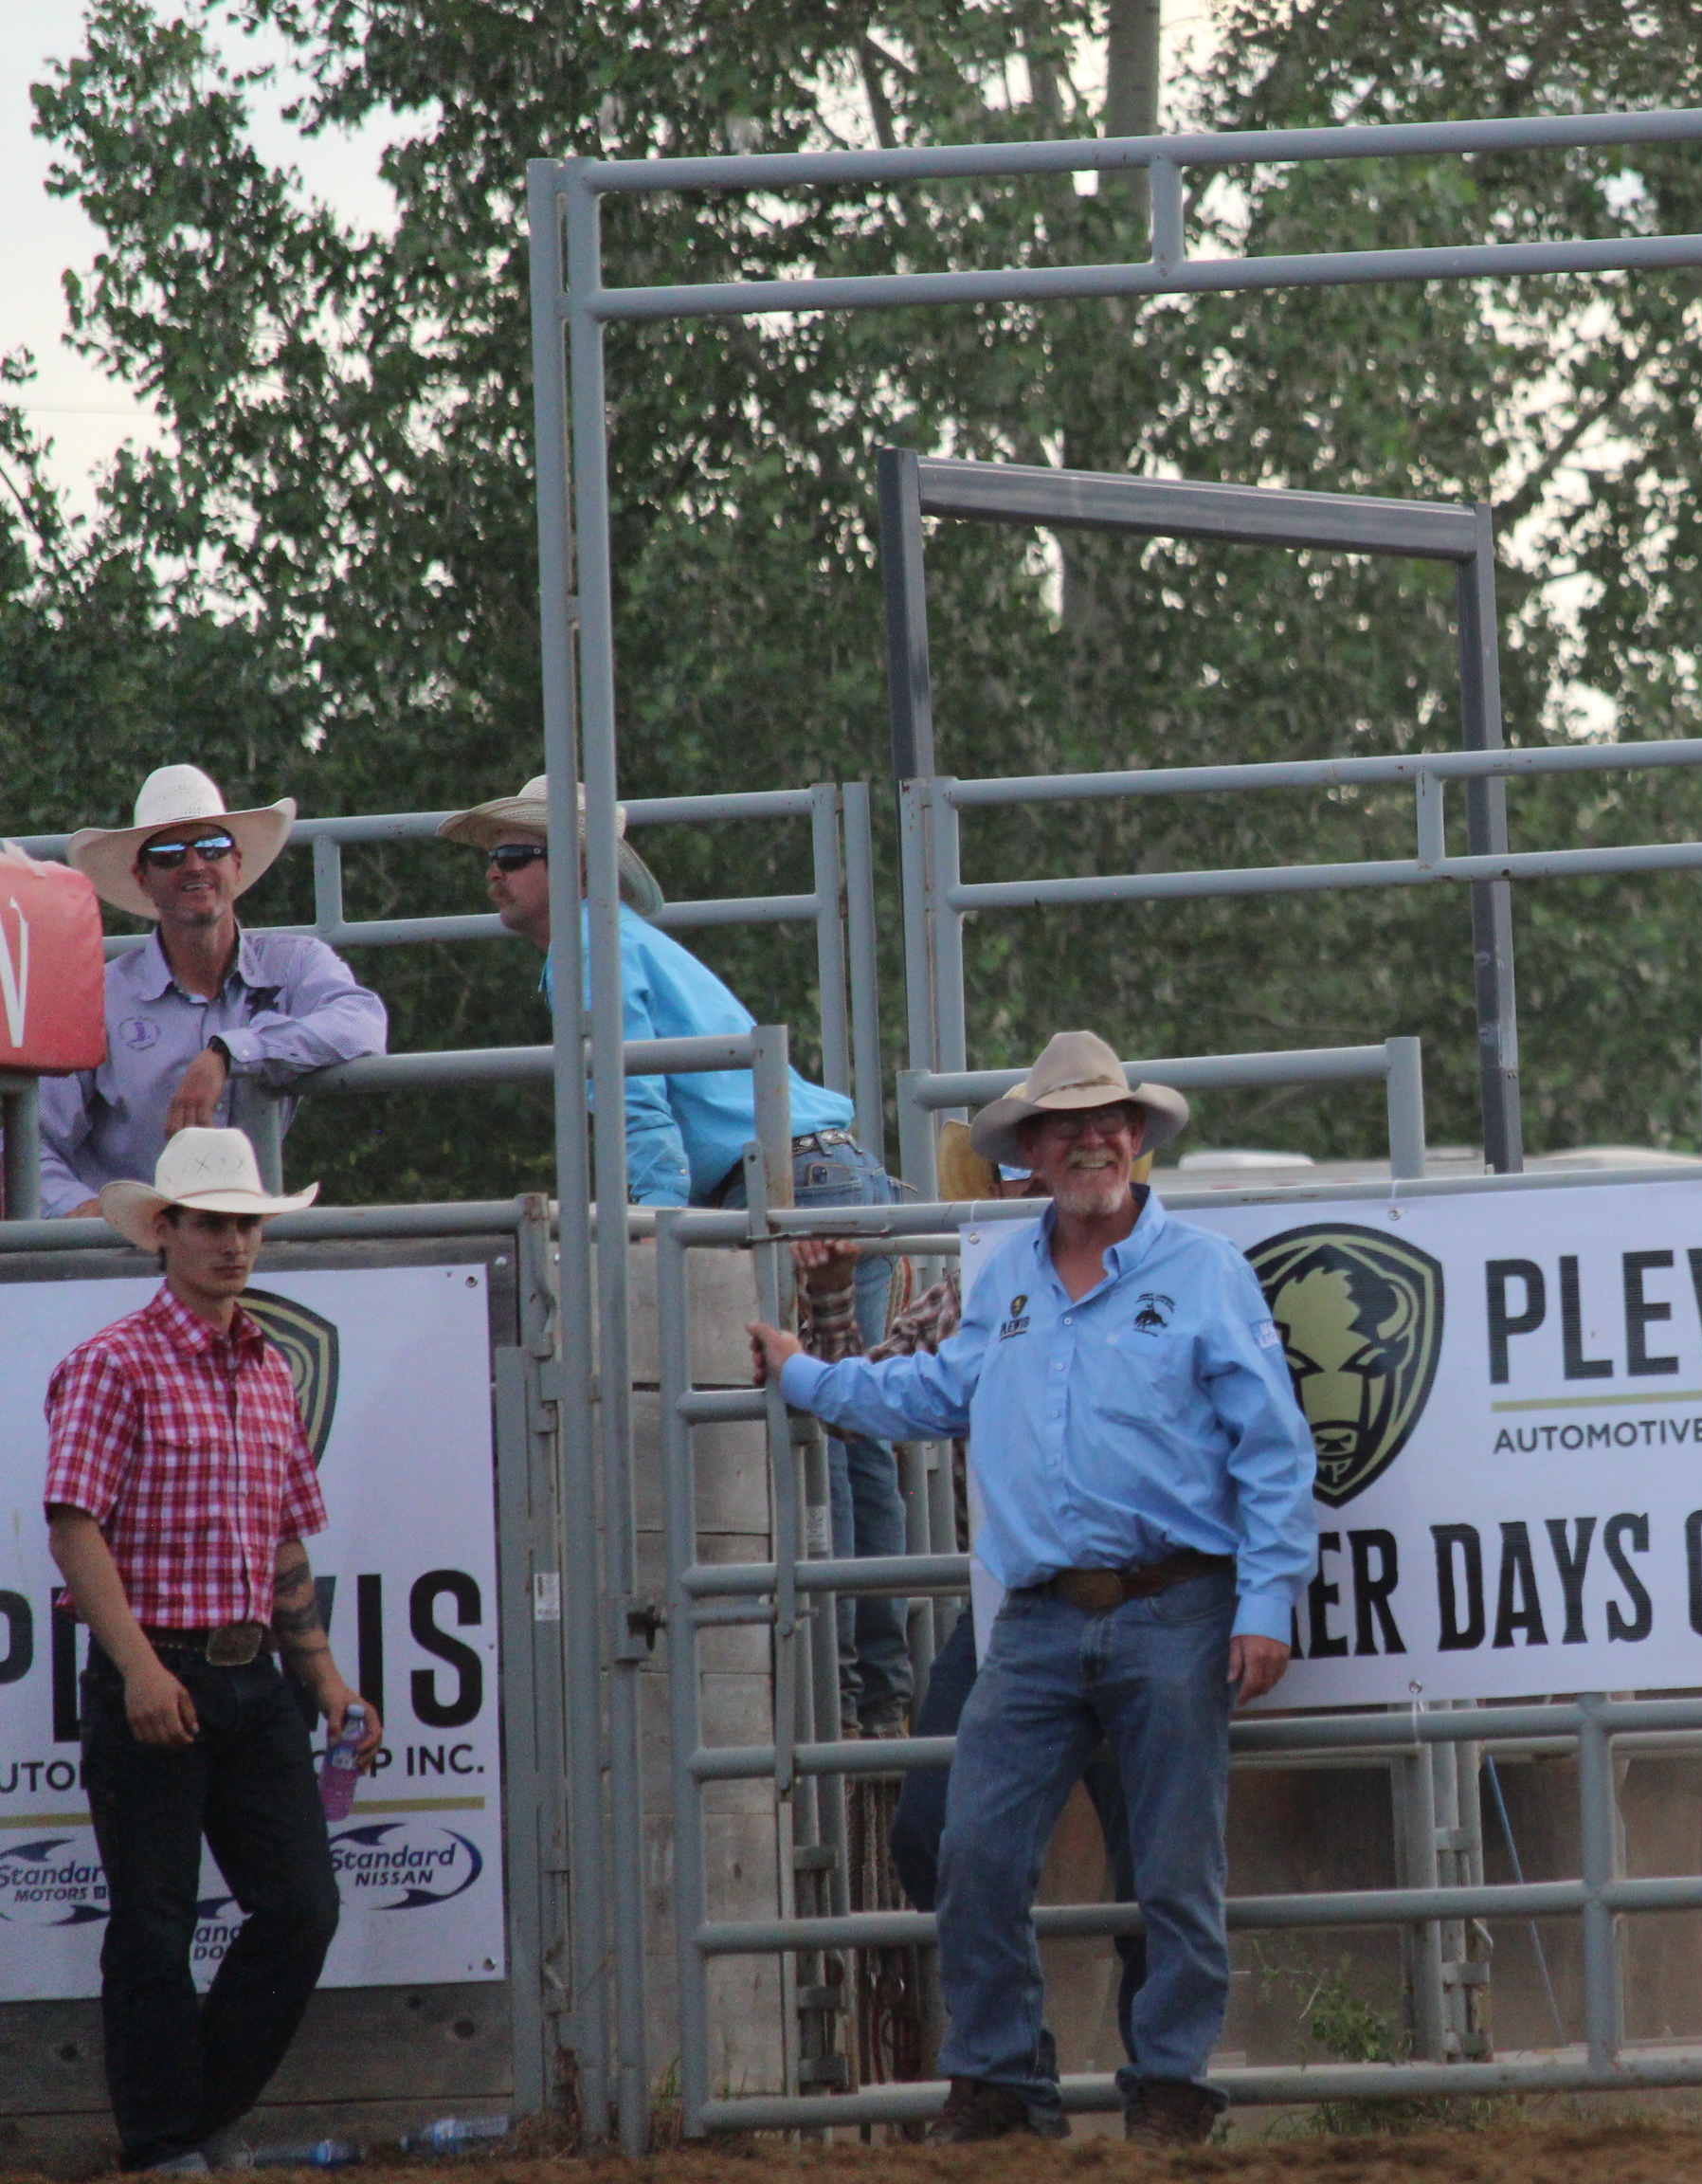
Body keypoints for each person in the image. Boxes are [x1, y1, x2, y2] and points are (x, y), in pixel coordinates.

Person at [748, 1030, 1317, 2148]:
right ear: (1034, 1152)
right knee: (973, 1850)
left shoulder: (1205, 1270)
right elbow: (932, 1390)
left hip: (1176, 1603)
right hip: (1041, 1614)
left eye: (1108, 1123)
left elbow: (1274, 1451)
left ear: (1136, 1138)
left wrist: (1265, 1603)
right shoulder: (1004, 1276)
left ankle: (1167, 2083)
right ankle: (1004, 2079)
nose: (1092, 1141)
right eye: (1067, 1128)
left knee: (1173, 1866)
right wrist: (806, 1374)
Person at [441, 776, 914, 1733]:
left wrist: (650, 1236)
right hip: (828, 1172)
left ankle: (839, 1701)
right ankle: (877, 1692)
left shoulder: (585, 946)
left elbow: (638, 1105)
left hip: (785, 1185)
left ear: (575, 867)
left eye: (515, 855)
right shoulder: (618, 940)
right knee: (852, 1431)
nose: (495, 873)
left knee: (821, 1436)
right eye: (494, 857)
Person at [45, 1128, 383, 2175]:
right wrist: (140, 1667)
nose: (235, 1243)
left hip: (252, 1676)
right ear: (166, 1232)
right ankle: (169, 2139)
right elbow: (73, 1526)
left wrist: (324, 1677)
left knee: (301, 1908)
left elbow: (283, 1537)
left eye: (247, 1225)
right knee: (153, 1922)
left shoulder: (270, 1368)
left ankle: (184, 2120)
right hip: (160, 1666)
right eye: (214, 1224)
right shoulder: (113, 1363)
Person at [38, 766, 389, 1217]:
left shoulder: (296, 963)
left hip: (237, 1235)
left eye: (211, 848)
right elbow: (27, 1140)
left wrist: (228, 1055)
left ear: (235, 863)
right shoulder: (96, 997)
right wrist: (87, 1214)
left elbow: (362, 1022)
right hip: (126, 1244)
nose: (195, 865)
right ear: (143, 878)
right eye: (169, 855)